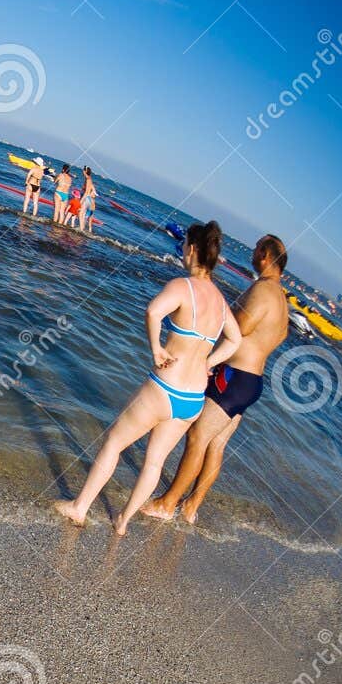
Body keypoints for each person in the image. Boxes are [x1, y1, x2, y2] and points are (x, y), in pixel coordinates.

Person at [54, 222, 240, 534]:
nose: (181, 252)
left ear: (192, 249)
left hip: (165, 387)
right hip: (193, 398)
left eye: (184, 247)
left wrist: (156, 348)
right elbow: (235, 341)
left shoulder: (184, 286)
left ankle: (80, 507)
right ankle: (123, 521)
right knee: (154, 462)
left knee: (114, 442)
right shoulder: (221, 303)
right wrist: (209, 360)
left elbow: (153, 311)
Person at [142, 234, 290, 525]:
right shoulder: (282, 300)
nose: (252, 252)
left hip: (233, 377)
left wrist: (214, 308)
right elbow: (276, 335)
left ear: (264, 254)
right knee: (216, 444)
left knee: (197, 437)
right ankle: (191, 506)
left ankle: (167, 503)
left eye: (255, 247)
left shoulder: (263, 290)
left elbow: (240, 326)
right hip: (251, 382)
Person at [78, 167, 98, 233]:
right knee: (83, 215)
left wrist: (81, 201)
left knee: (81, 214)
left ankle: (81, 231)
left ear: (85, 171)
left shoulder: (88, 179)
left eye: (83, 170)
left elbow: (86, 192)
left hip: (87, 199)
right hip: (89, 199)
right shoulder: (88, 179)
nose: (82, 171)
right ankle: (82, 229)